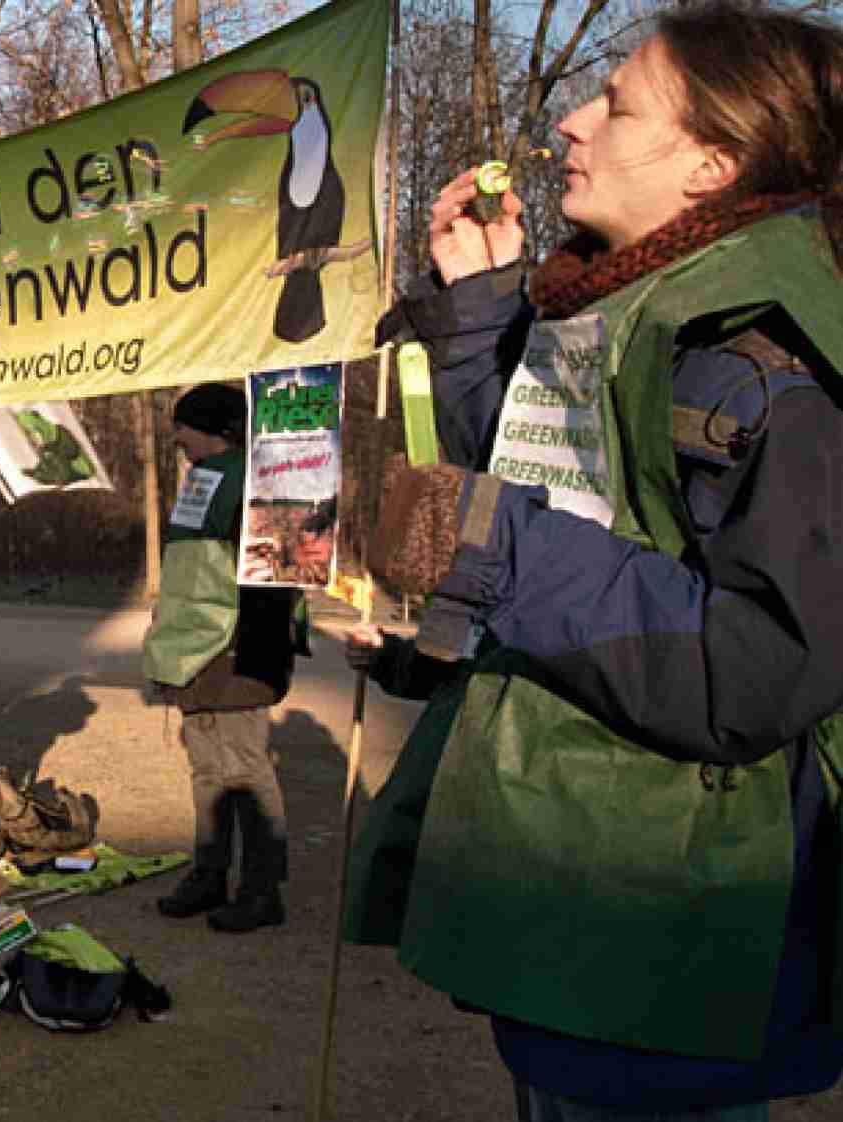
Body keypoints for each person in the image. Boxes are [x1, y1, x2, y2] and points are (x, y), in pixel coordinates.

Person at [357, 5, 843, 1116]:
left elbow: (753, 669)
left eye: (617, 105)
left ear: (713, 164)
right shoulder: (629, 306)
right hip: (586, 881)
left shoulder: (775, 354)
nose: (572, 122)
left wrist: (487, 543)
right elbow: (567, 492)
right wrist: (480, 309)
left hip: (670, 925)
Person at [141, 383, 302, 933]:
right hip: (193, 650)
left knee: (244, 770)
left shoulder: (259, 482)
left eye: (183, 426)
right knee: (208, 770)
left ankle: (261, 891)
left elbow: (277, 577)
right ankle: (209, 874)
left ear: (214, 428)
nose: (176, 438)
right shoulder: (201, 481)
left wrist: (254, 654)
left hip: (238, 650)